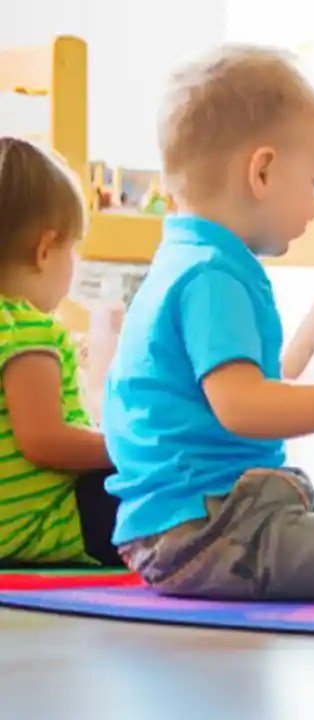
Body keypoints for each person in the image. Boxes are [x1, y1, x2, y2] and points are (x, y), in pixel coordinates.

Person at [102, 45, 314, 600]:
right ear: (262, 171)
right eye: (312, 182)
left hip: (209, 514)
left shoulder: (190, 258)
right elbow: (244, 408)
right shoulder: (213, 275)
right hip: (206, 527)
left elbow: (247, 393)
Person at [0, 137, 121, 567]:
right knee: (160, 482)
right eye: (74, 250)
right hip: (46, 522)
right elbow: (44, 440)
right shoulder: (26, 326)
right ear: (45, 249)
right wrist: (129, 447)